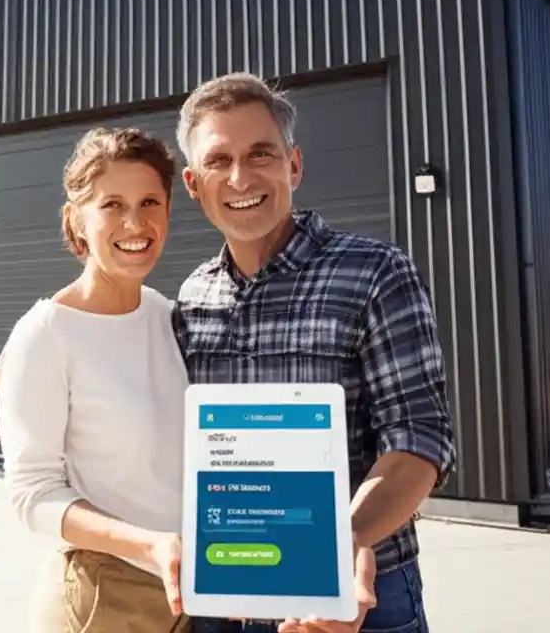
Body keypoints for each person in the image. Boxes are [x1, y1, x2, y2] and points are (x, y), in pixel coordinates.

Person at [170, 72, 457, 633]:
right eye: (218, 160)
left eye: (261, 154)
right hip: (224, 596)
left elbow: (419, 440)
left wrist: (332, 552)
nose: (240, 176)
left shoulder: (375, 273)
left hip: (360, 592)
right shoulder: (191, 297)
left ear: (294, 165)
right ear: (192, 183)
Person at [0, 127, 194, 632]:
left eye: (150, 201)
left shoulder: (169, 317)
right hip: (105, 597)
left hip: (189, 597)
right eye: (111, 205)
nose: (136, 222)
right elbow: (32, 495)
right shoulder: (45, 334)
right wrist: (146, 543)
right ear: (76, 220)